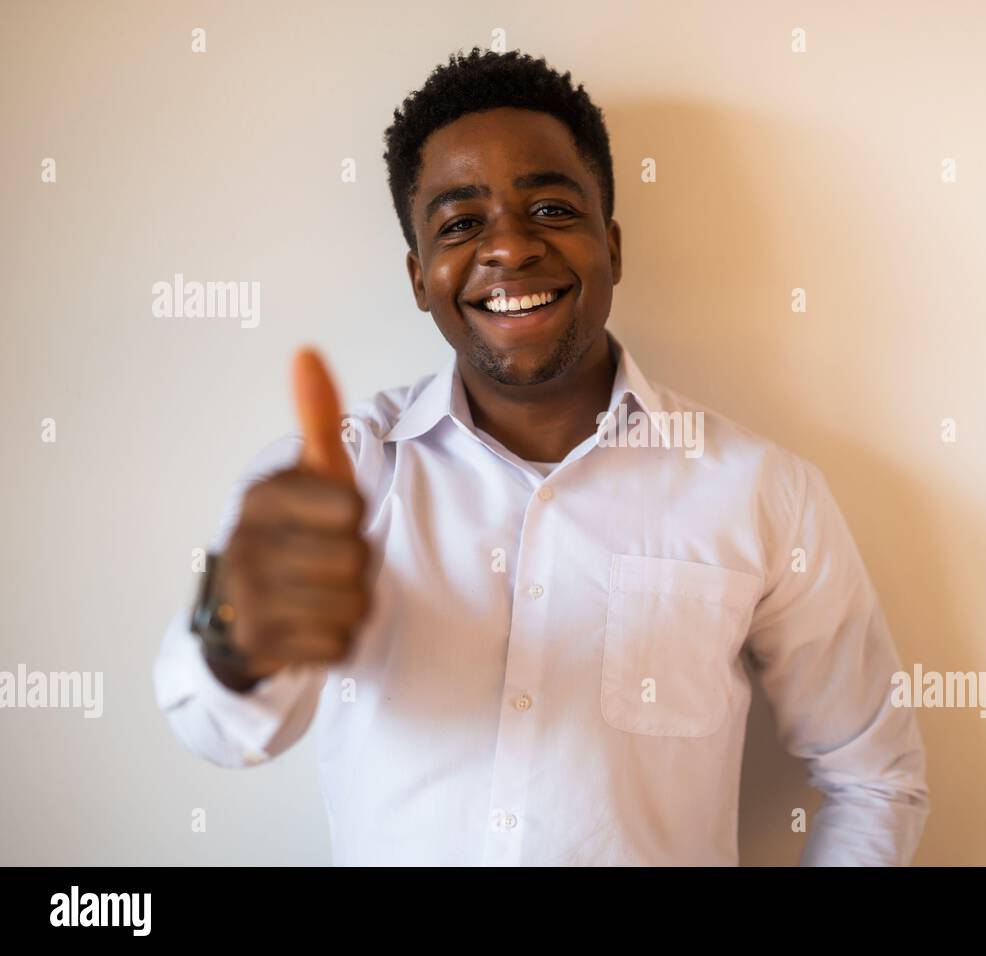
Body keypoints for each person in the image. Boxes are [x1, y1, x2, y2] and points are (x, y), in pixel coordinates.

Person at [153, 47, 929, 866]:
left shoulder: (765, 494)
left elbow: (875, 781)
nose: (510, 249)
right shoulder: (327, 485)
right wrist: (236, 636)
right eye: (460, 224)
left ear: (614, 246)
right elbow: (214, 730)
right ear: (419, 278)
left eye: (553, 210)